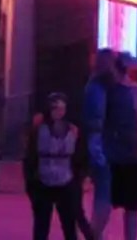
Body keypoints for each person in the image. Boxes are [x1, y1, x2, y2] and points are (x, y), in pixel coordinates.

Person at [91, 52, 137, 240]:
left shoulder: (118, 90)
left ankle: (99, 236)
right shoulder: (130, 91)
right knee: (124, 206)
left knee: (116, 204)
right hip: (121, 155)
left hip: (121, 155)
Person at [25, 93, 85, 240]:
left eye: (62, 108)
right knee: (42, 223)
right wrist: (31, 182)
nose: (59, 112)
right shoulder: (39, 129)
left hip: (66, 180)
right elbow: (30, 157)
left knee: (69, 222)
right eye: (55, 108)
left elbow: (79, 156)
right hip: (43, 180)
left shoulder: (72, 130)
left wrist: (79, 179)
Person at [83, 49, 118, 237]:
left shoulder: (95, 85)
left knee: (102, 193)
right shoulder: (111, 85)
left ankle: (95, 233)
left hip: (99, 143)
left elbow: (94, 118)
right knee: (104, 193)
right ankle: (96, 233)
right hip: (108, 144)